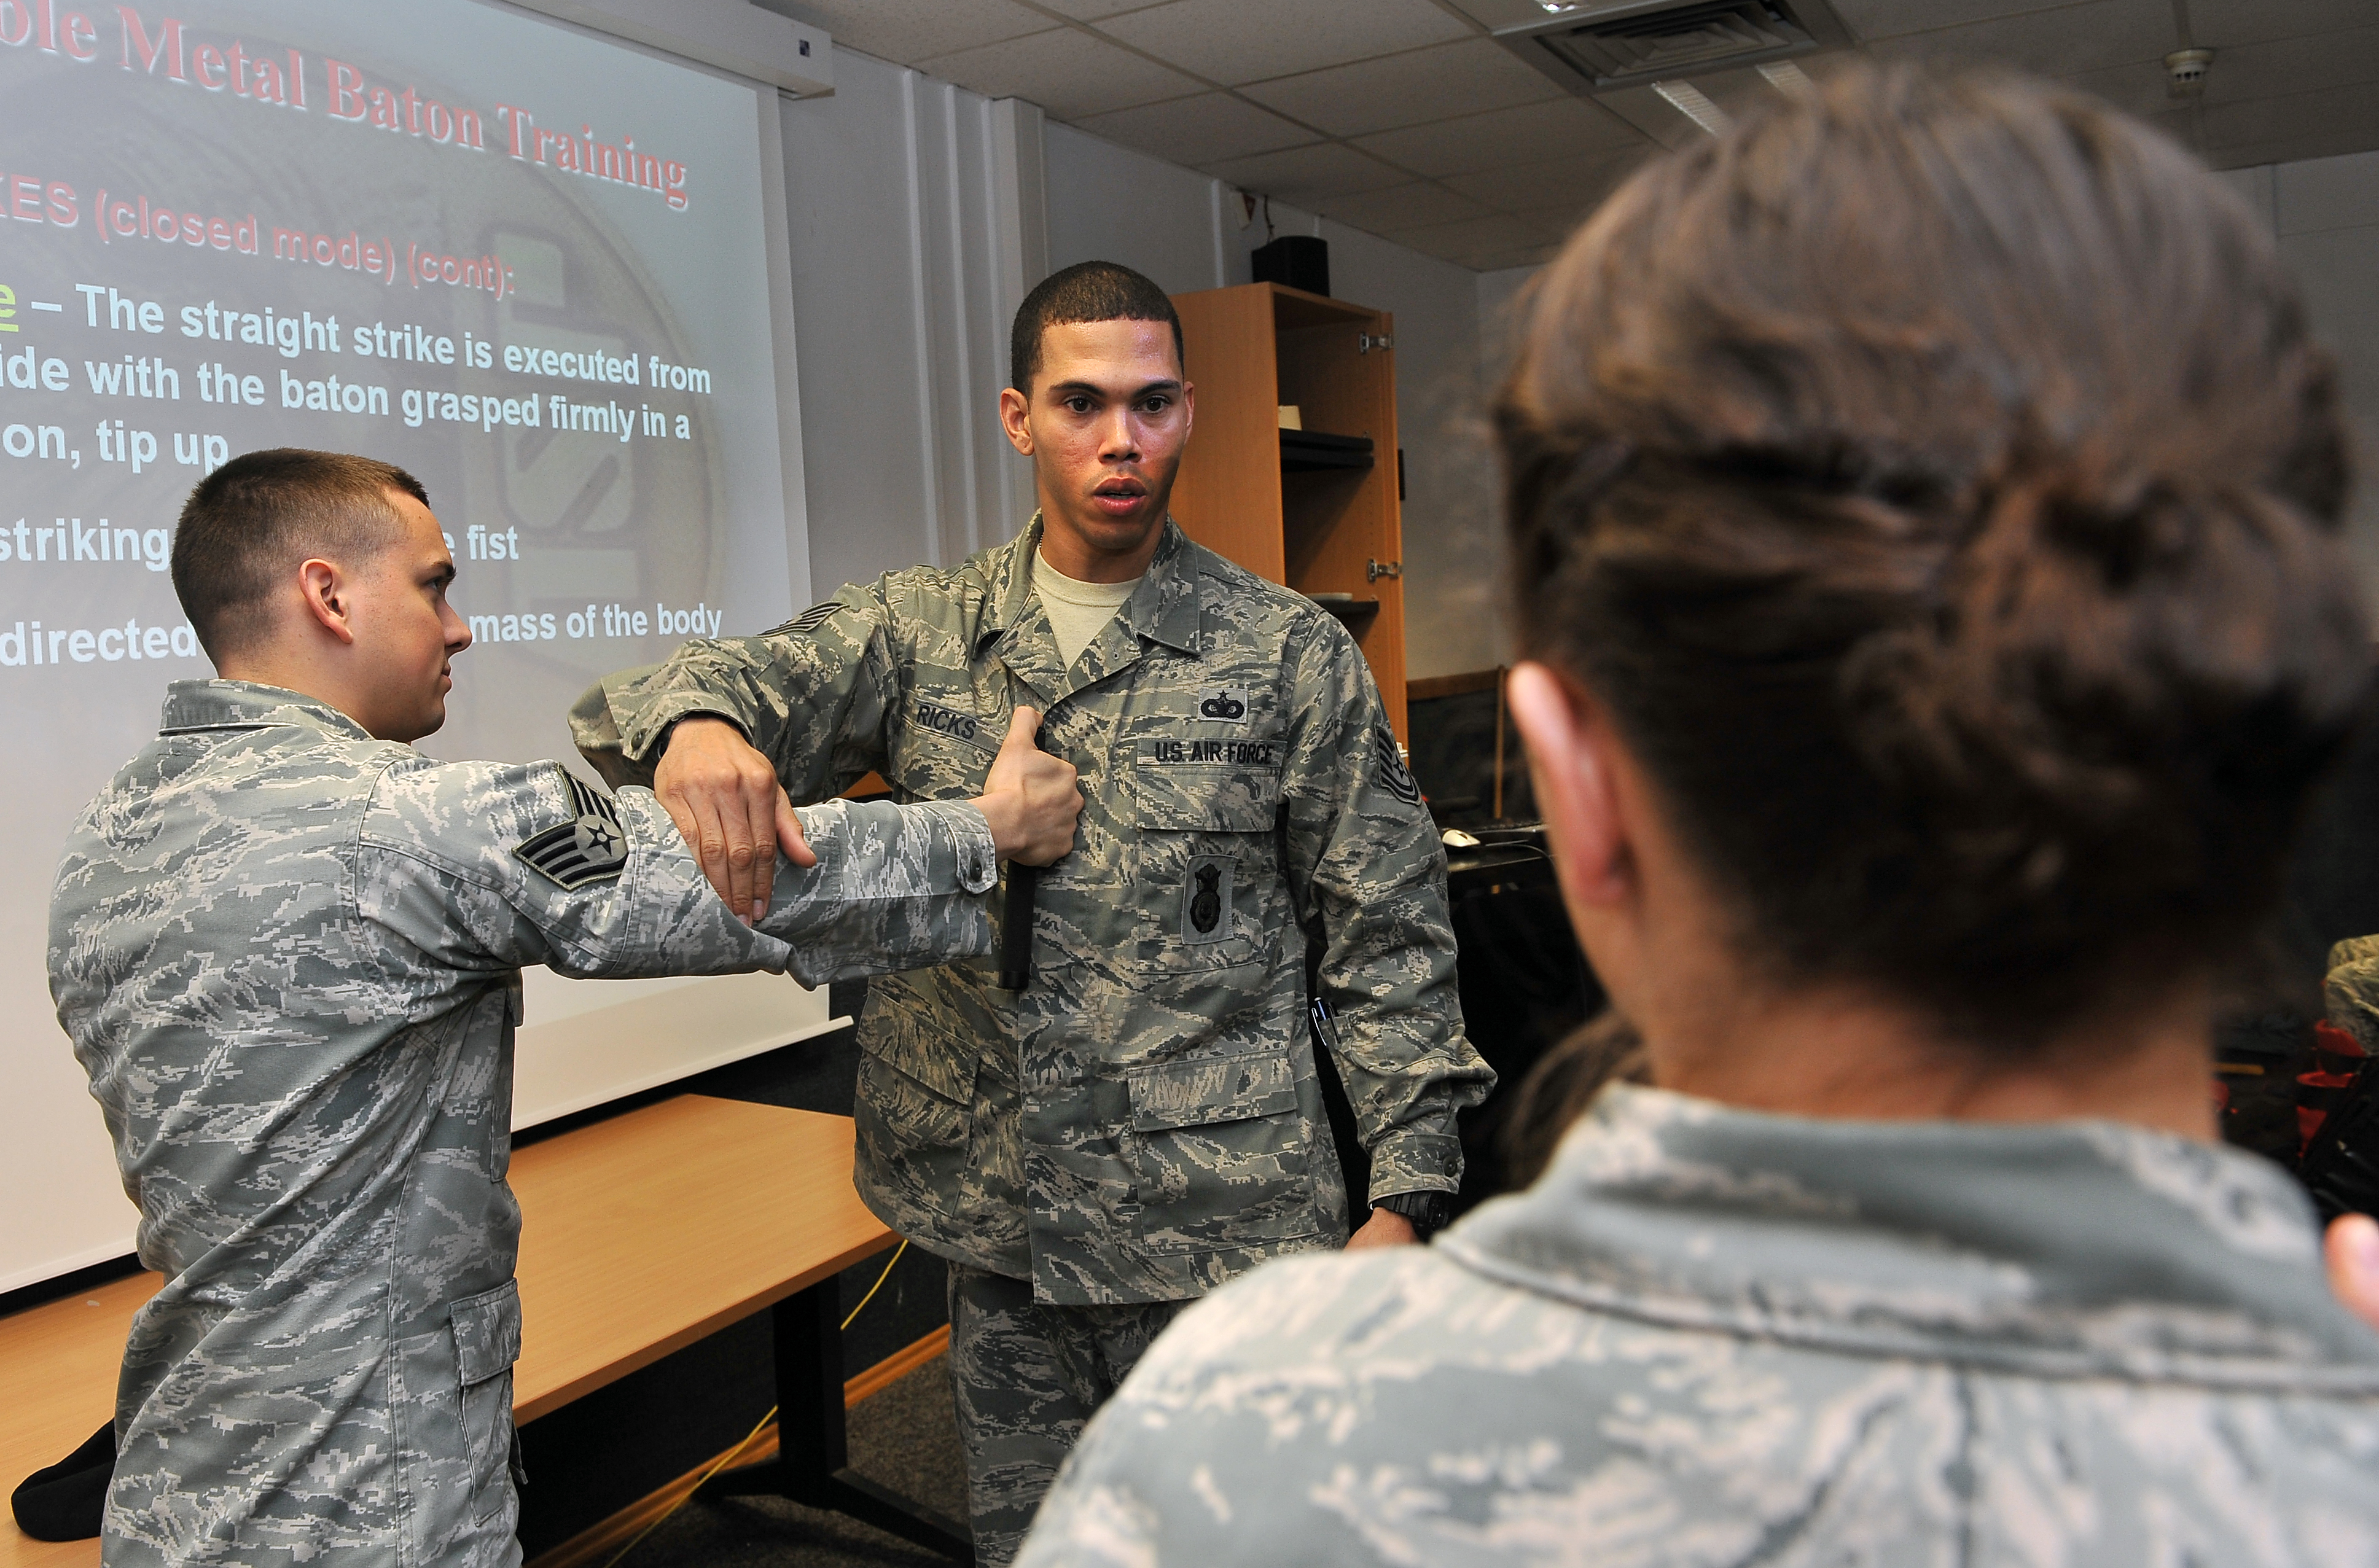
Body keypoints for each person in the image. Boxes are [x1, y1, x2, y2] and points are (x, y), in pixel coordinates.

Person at [1012, 67, 2379, 1566]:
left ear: (1577, 794)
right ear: (2272, 768)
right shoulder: (2326, 1466)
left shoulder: (1231, 1454)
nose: (1117, 435)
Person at [569, 261, 1494, 1561]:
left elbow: (1387, 936)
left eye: (1152, 403)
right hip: (1004, 1229)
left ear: (1189, 411)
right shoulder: (921, 630)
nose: (1120, 441)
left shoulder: (1285, 652)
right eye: (1080, 403)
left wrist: (1406, 1195)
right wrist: (697, 723)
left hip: (1222, 1230)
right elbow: (688, 683)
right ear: (1018, 417)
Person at [52, 448, 1082, 1568]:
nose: (460, 629)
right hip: (371, 1499)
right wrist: (987, 833)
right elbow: (725, 874)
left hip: (183, 1488)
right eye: (435, 584)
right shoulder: (401, 821)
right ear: (328, 594)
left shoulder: (112, 836)